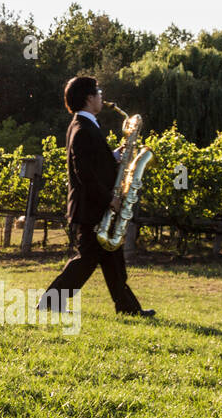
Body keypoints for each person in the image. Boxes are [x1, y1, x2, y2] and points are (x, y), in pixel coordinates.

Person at [36, 77, 154, 318]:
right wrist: (108, 199)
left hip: (94, 205)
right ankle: (49, 302)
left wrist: (112, 156)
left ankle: (128, 308)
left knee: (112, 259)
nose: (102, 96)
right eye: (99, 92)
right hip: (90, 207)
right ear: (89, 97)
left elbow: (91, 161)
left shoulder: (84, 125)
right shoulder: (82, 127)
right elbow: (84, 172)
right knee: (86, 260)